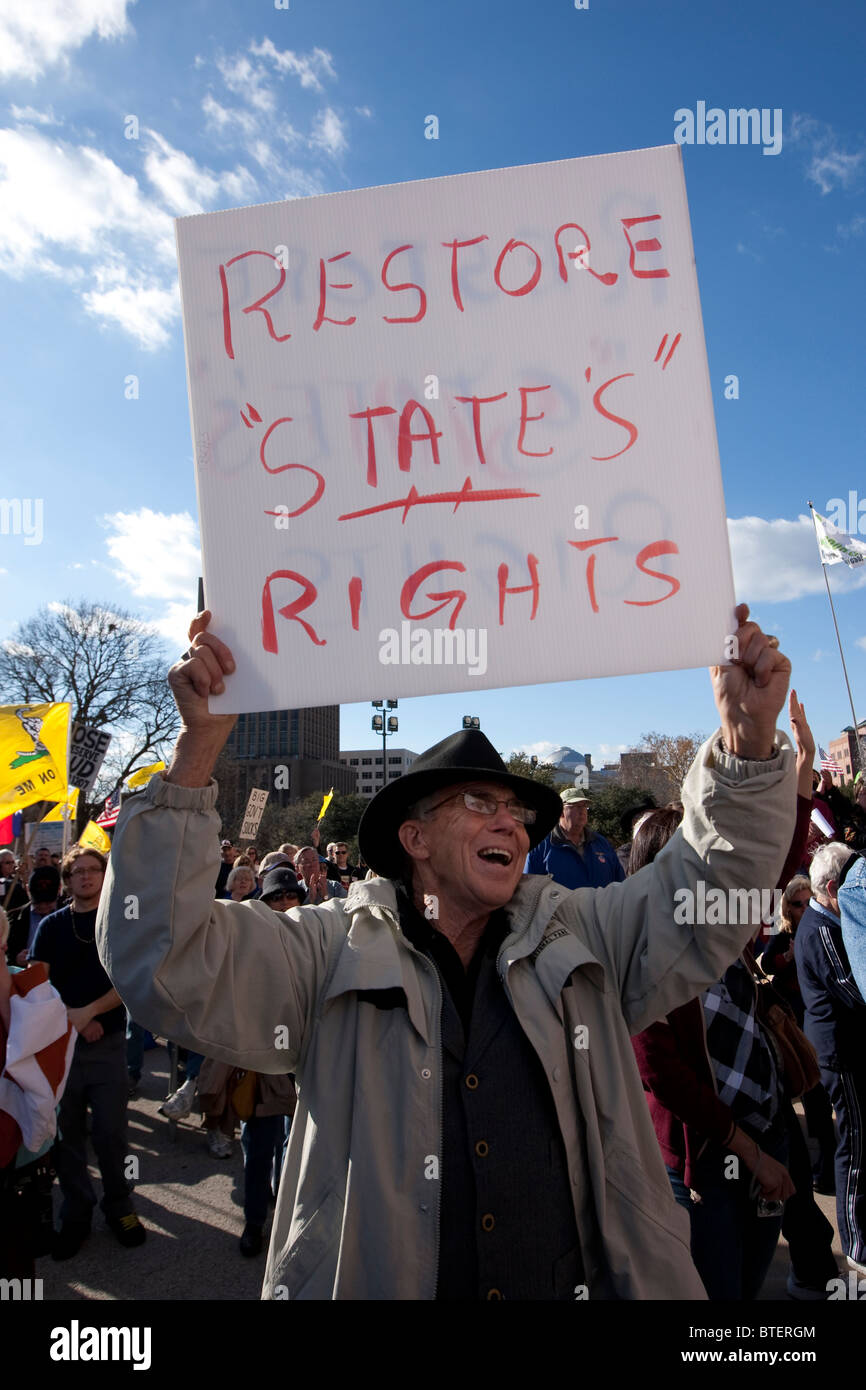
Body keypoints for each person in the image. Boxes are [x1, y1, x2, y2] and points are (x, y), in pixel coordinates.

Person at [99, 602, 796, 1299]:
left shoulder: (583, 939)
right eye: (478, 802)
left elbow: (705, 898)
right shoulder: (326, 953)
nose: (511, 824)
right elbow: (166, 959)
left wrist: (746, 744)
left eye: (517, 813)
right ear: (416, 839)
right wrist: (197, 753)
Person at [30, 847, 146, 1258]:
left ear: (103, 874)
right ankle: (76, 1213)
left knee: (111, 1133)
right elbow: (38, 986)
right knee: (68, 1136)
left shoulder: (119, 923)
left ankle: (120, 1206)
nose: (84, 877)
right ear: (66, 881)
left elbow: (130, 979)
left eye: (92, 870)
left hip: (109, 1043)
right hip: (61, 1047)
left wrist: (92, 1012)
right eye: (76, 872)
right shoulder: (50, 927)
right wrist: (72, 1020)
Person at [794, 841, 866, 1276]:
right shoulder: (823, 929)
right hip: (841, 1054)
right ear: (833, 888)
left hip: (849, 1050)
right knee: (854, 1146)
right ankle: (856, 1241)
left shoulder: (831, 922)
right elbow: (854, 993)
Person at [525, 788, 624, 890]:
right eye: (575, 806)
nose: (582, 811)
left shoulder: (601, 843)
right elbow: (527, 889)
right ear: (560, 811)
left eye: (584, 806)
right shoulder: (542, 845)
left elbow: (619, 885)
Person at [6, 865, 61, 967]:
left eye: (49, 902)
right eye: (38, 903)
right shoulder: (13, 918)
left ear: (59, 889)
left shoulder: (72, 915)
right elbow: (6, 955)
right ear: (27, 890)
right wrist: (16, 959)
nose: (43, 906)